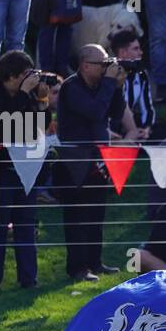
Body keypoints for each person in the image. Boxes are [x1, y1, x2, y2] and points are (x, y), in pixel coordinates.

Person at [55, 44, 134, 282]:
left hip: (99, 158)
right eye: (101, 63)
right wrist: (110, 83)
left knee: (96, 215)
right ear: (85, 65)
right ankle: (77, 268)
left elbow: (117, 112)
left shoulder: (102, 86)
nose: (106, 67)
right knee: (77, 217)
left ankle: (94, 262)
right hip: (74, 161)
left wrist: (117, 86)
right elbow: (94, 112)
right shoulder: (71, 87)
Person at [0, 50, 49, 290]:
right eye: (26, 76)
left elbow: (39, 127)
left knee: (26, 224)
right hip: (0, 167)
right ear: (13, 76)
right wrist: (24, 94)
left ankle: (29, 278)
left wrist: (42, 101)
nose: (30, 81)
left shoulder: (28, 95)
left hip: (25, 167)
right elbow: (3, 126)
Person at [109, 28, 154, 141]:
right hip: (109, 129)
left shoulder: (141, 74)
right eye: (135, 49)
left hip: (130, 128)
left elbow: (147, 107)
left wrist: (146, 129)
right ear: (123, 52)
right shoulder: (107, 72)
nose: (141, 52)